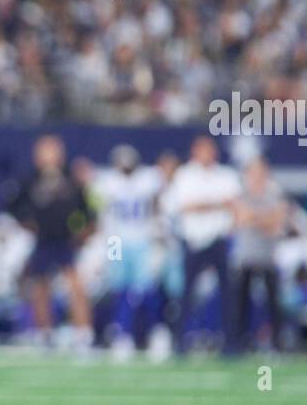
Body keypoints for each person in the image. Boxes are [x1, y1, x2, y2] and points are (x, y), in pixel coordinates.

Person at [11, 134, 93, 347]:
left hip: (66, 240)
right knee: (40, 286)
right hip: (43, 239)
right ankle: (44, 332)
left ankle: (83, 332)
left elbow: (86, 210)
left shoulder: (71, 179)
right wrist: (28, 225)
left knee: (75, 285)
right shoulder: (31, 180)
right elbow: (15, 207)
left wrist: (83, 233)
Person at [162, 135, 240, 353]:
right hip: (194, 241)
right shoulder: (185, 175)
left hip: (219, 239)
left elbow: (234, 206)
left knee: (227, 293)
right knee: (186, 293)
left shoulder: (226, 175)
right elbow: (186, 206)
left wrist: (206, 205)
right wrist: (217, 204)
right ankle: (180, 341)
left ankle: (231, 342)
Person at [93, 143, 163, 350]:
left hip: (142, 238)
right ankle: (121, 333)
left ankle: (153, 332)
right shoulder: (107, 181)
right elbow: (100, 209)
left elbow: (157, 205)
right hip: (115, 240)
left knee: (146, 289)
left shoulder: (148, 179)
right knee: (117, 288)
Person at [230, 157, 290, 352]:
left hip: (268, 256)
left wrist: (254, 218)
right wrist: (264, 218)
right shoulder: (241, 193)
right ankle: (239, 342)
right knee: (241, 303)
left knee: (274, 303)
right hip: (245, 256)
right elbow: (239, 218)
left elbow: (277, 222)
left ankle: (278, 343)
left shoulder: (274, 192)